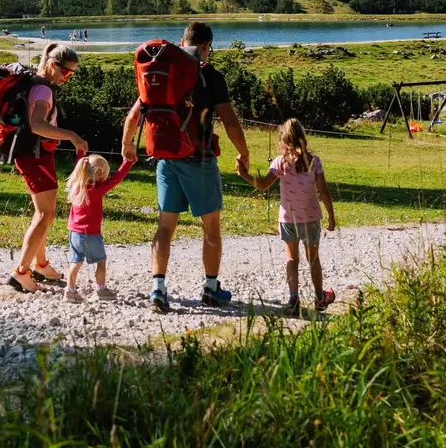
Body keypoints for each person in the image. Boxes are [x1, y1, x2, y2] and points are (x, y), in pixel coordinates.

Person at [121, 20, 252, 313]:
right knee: (211, 227)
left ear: (182, 42)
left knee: (166, 225)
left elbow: (134, 114)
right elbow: (230, 122)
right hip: (199, 161)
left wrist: (126, 144)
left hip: (165, 159)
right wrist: (244, 153)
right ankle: (210, 288)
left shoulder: (164, 73)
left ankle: (158, 288)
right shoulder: (209, 75)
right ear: (207, 47)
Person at [8, 41, 88, 294]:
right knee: (46, 215)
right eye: (66, 72)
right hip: (35, 155)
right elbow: (38, 125)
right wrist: (72, 136)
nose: (68, 78)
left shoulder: (33, 81)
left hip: (33, 153)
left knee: (42, 213)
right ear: (52, 65)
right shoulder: (44, 91)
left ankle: (40, 265)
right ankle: (21, 272)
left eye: (72, 74)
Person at [249, 118, 338, 316]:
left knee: (292, 260)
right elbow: (323, 191)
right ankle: (319, 297)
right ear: (303, 137)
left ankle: (293, 298)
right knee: (313, 259)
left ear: (283, 140)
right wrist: (331, 215)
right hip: (311, 218)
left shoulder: (280, 162)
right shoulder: (314, 162)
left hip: (288, 219)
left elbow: (263, 184)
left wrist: (244, 175)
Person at [63, 151, 133, 302]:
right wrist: (127, 163)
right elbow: (116, 178)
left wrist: (80, 154)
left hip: (74, 232)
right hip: (91, 233)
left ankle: (70, 291)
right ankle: (101, 290)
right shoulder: (97, 190)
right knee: (100, 262)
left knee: (75, 262)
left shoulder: (76, 186)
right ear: (100, 174)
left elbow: (80, 166)